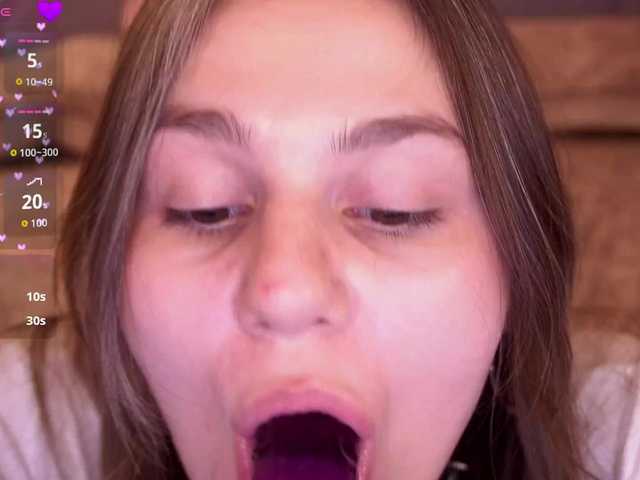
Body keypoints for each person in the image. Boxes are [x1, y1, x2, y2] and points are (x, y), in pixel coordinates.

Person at [1, 0, 639, 479]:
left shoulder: (617, 430)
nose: (286, 293)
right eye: (205, 208)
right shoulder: (34, 426)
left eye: (395, 209)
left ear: (518, 270)